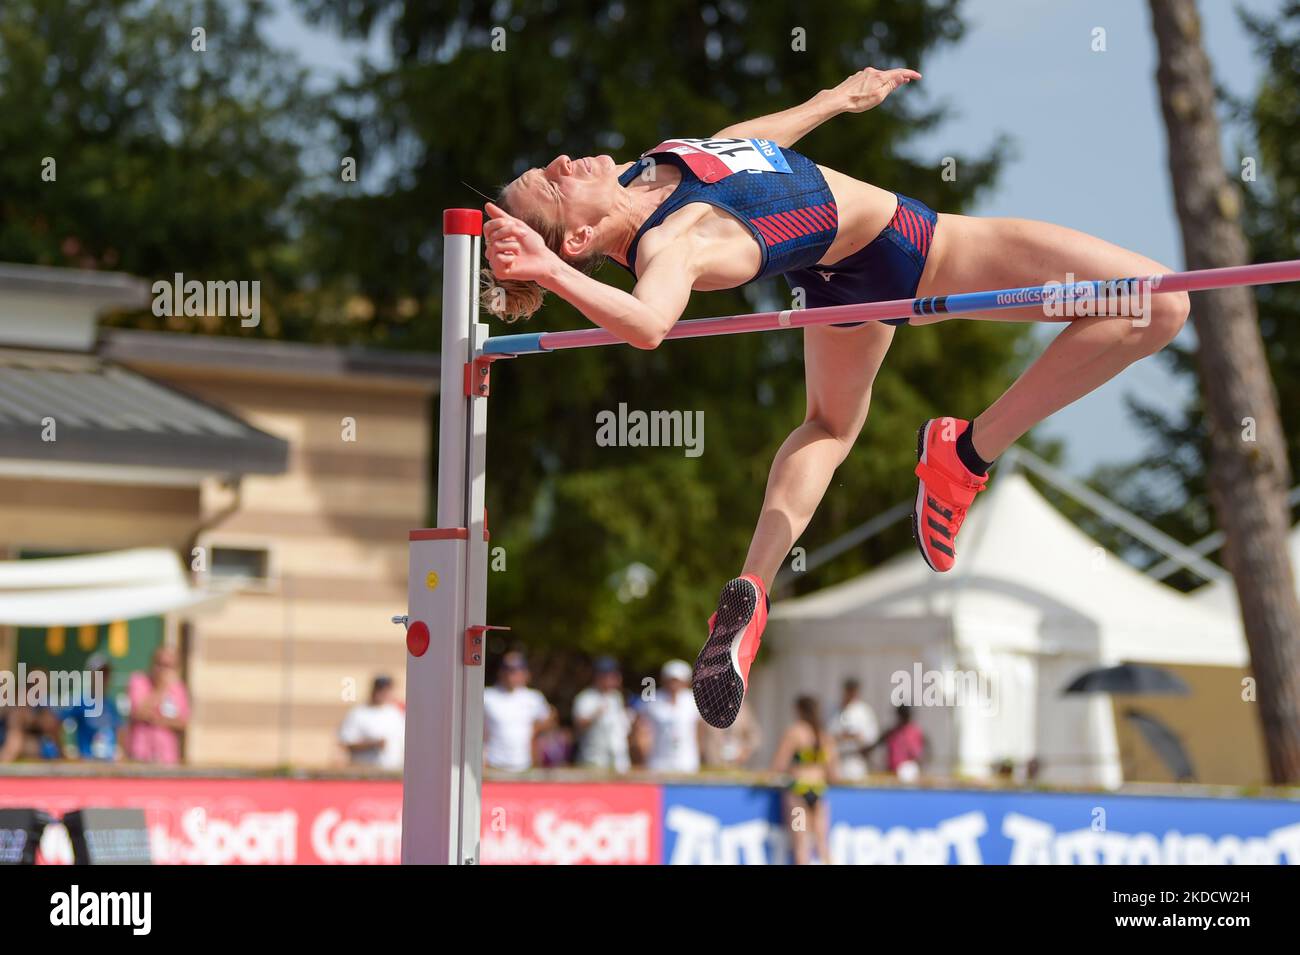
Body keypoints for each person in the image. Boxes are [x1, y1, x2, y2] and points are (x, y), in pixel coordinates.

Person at [480, 68, 1190, 729]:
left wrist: (834, 101)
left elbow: (741, 149)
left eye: (545, 167)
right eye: (553, 185)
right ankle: (966, 451)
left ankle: (751, 594)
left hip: (838, 281)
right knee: (1159, 304)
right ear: (577, 236)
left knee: (828, 423)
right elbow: (647, 324)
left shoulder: (645, 171)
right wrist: (547, 269)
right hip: (916, 252)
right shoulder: (675, 242)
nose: (562, 163)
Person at [771, 696, 838, 865]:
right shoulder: (824, 736)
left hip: (798, 793)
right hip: (818, 792)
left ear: (799, 710)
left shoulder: (795, 732)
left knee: (801, 845)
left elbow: (779, 765)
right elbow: (833, 773)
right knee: (823, 846)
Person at [482, 651, 552, 772]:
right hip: (494, 764)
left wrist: (534, 732)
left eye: (517, 669)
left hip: (524, 765)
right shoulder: (488, 696)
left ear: (525, 673)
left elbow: (549, 719)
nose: (512, 674)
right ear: (501, 671)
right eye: (508, 669)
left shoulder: (534, 697)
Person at [125, 645, 190, 764]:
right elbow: (138, 712)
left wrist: (157, 719)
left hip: (167, 757)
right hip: (140, 755)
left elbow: (183, 722)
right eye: (160, 664)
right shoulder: (139, 681)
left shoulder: (178, 688)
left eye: (168, 666)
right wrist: (162, 689)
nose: (163, 670)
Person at [637, 659, 703, 773]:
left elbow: (701, 730)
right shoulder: (652, 701)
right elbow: (642, 730)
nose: (674, 684)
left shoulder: (694, 701)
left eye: (677, 680)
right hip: (658, 763)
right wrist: (642, 755)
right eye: (671, 680)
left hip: (687, 763)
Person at [572, 656, 632, 772]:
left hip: (619, 760)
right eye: (605, 676)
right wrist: (596, 714)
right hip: (594, 760)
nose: (609, 679)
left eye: (613, 676)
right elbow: (579, 725)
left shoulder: (617, 697)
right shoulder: (586, 698)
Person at [62, 653, 123, 762]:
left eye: (106, 674)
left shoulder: (111, 704)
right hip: (87, 764)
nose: (103, 678)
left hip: (109, 765)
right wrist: (64, 751)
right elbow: (59, 722)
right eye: (99, 674)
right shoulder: (81, 702)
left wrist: (120, 751)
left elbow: (119, 729)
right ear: (91, 675)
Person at [338, 675, 406, 770]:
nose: (384, 693)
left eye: (387, 690)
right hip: (366, 772)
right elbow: (346, 743)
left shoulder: (396, 713)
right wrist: (374, 744)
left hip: (393, 772)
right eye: (381, 690)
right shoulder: (358, 713)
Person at [866, 704, 928, 781]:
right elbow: (874, 745)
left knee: (907, 770)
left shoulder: (915, 732)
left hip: (908, 774)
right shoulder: (892, 732)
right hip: (892, 773)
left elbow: (923, 754)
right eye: (902, 715)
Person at [830, 678, 877, 781]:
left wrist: (857, 737)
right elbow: (828, 735)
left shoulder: (864, 711)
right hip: (837, 759)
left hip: (856, 760)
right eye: (849, 689)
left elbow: (871, 738)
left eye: (853, 690)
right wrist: (841, 736)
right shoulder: (833, 709)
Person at [699, 699, 762, 770]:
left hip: (735, 766)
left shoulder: (743, 708)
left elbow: (755, 736)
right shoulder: (707, 707)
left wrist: (744, 752)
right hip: (712, 765)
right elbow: (699, 736)